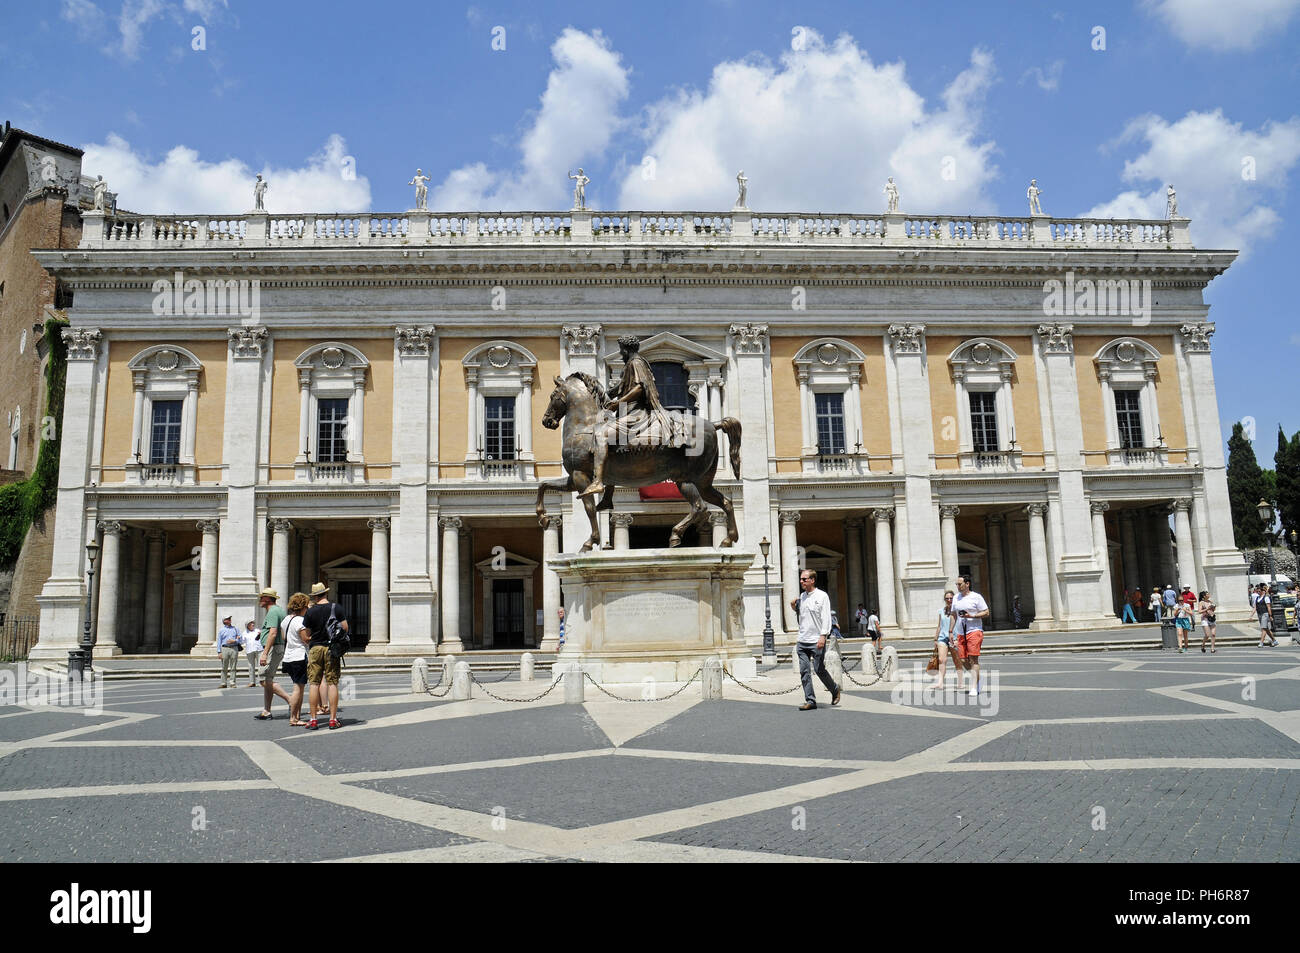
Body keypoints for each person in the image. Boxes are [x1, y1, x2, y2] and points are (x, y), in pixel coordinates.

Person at [579, 335, 692, 500]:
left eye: (621, 349)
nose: (620, 352)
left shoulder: (636, 362)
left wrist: (618, 403)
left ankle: (597, 482)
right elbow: (625, 385)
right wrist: (608, 394)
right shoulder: (632, 365)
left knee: (601, 434)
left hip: (636, 413)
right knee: (613, 446)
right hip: (628, 412)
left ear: (625, 349)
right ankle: (608, 496)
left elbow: (639, 388)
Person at [789, 569, 840, 711]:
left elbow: (826, 618)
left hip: (816, 639)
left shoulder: (822, 596)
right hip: (803, 640)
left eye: (804, 579)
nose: (801, 581)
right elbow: (803, 614)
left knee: (819, 669)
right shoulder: (802, 596)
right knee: (804, 671)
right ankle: (810, 700)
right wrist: (794, 606)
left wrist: (823, 636)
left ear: (812, 580)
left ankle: (834, 689)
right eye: (801, 579)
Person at [302, 582, 349, 729]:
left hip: (315, 648)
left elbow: (306, 634)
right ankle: (333, 719)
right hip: (331, 648)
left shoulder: (310, 611)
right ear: (326, 593)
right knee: (332, 683)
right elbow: (345, 628)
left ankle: (313, 719)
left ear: (315, 596)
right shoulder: (336, 608)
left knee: (314, 683)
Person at [255, 588, 292, 720]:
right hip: (277, 647)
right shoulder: (279, 611)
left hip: (272, 648)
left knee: (264, 680)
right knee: (268, 679)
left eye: (261, 598)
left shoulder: (272, 612)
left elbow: (273, 632)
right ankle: (267, 710)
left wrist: (265, 653)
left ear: (267, 599)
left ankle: (291, 700)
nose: (259, 600)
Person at [953, 574, 989, 697]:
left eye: (959, 584)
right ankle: (977, 677)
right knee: (963, 660)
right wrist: (950, 632)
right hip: (960, 631)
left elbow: (986, 612)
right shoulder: (956, 598)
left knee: (973, 659)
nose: (957, 586)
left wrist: (972, 616)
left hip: (974, 630)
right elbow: (954, 615)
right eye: (957, 584)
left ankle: (974, 686)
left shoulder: (976, 597)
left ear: (967, 584)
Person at [280, 592, 311, 726]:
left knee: (298, 687)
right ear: (303, 606)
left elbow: (284, 638)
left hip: (288, 657)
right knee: (298, 688)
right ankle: (293, 717)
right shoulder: (300, 621)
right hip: (299, 656)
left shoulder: (286, 620)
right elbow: (306, 640)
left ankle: (297, 715)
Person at [930, 590, 962, 691]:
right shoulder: (941, 611)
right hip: (942, 638)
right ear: (944, 600)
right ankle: (940, 683)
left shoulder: (957, 610)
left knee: (957, 660)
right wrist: (935, 638)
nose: (949, 600)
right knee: (941, 660)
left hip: (955, 638)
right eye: (947, 598)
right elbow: (939, 626)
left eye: (951, 598)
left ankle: (960, 682)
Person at [216, 615, 241, 688]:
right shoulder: (221, 630)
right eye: (227, 619)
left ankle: (232, 682)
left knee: (233, 666)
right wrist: (219, 652)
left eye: (230, 619)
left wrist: (235, 640)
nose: (229, 620)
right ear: (224, 621)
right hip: (225, 648)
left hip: (234, 648)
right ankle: (223, 683)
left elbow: (240, 639)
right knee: (224, 667)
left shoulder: (235, 629)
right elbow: (219, 641)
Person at [242, 620, 261, 687]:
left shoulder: (257, 630)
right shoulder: (245, 633)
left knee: (260, 666)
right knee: (251, 667)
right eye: (251, 623)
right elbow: (242, 642)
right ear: (248, 626)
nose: (253, 624)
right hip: (249, 650)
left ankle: (261, 681)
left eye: (253, 623)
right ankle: (252, 682)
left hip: (259, 650)